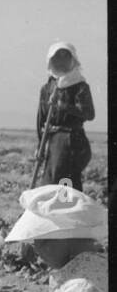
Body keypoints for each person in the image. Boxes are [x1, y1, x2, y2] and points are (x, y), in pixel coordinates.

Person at [35, 42, 94, 189]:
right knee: (50, 180)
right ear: (51, 61)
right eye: (57, 59)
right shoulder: (47, 88)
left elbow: (89, 113)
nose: (61, 62)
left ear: (72, 60)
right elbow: (41, 119)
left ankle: (66, 209)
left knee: (64, 180)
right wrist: (39, 145)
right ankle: (54, 210)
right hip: (52, 141)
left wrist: (63, 106)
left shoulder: (80, 86)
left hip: (72, 140)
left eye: (65, 58)